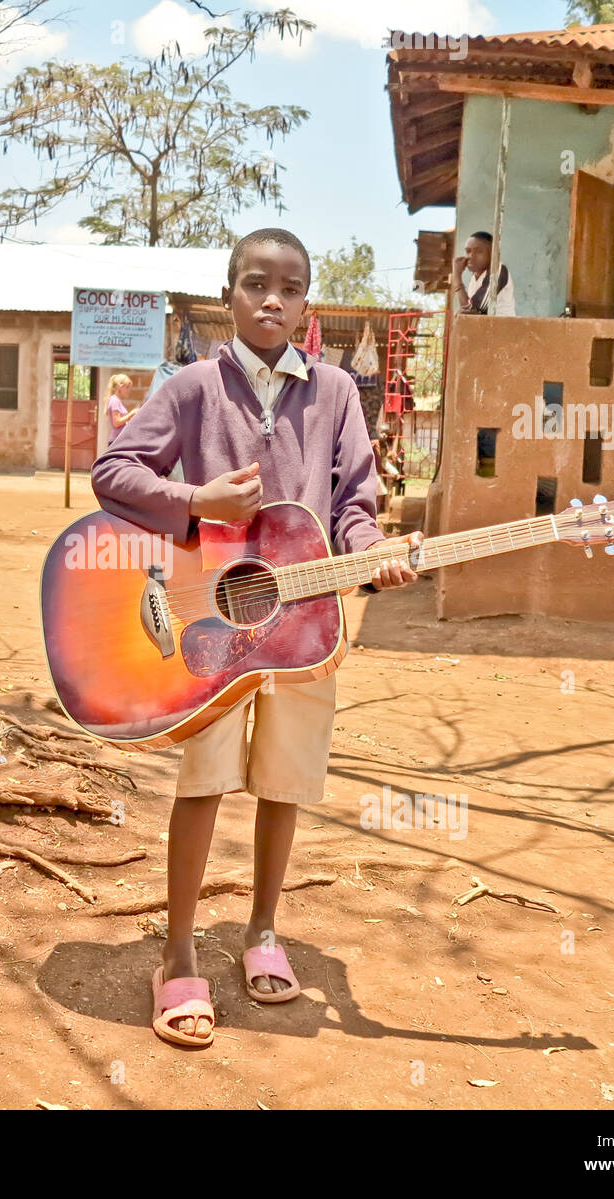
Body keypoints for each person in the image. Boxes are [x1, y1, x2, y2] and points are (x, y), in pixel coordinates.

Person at [91, 228, 422, 1048]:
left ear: (308, 302)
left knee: (285, 777)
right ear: (229, 294)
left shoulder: (338, 392)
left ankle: (264, 930)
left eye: (289, 287)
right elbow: (115, 471)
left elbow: (352, 500)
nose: (271, 299)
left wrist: (368, 552)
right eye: (254, 284)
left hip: (306, 621)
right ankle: (176, 953)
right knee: (203, 779)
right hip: (210, 622)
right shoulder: (195, 387)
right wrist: (198, 497)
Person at [451, 231, 515, 316]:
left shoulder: (498, 271)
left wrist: (457, 277)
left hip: (502, 327)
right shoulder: (474, 278)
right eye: (468, 251)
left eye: (479, 251)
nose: (471, 256)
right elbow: (469, 312)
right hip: (486, 327)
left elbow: (471, 311)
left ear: (491, 254)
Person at [103, 374, 137, 444]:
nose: (129, 390)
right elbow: (116, 422)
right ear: (119, 387)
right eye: (127, 387)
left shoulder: (117, 400)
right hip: (116, 441)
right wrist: (131, 414)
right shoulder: (114, 400)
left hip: (120, 440)